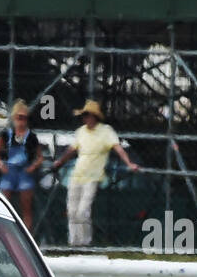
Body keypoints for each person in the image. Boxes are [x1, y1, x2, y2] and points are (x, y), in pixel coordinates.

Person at [47, 100, 138, 247]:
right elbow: (71, 150)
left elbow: (118, 148)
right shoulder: (81, 131)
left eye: (87, 115)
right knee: (72, 210)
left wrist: (129, 163)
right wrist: (60, 162)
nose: (85, 118)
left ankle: (85, 242)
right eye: (84, 115)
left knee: (83, 210)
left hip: (93, 176)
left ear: (95, 116)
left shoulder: (106, 131)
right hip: (77, 174)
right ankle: (73, 242)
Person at [0, 100, 44, 234]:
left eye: (24, 118)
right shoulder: (7, 135)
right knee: (2, 202)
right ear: (14, 118)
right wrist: (0, 164)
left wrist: (32, 167)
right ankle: (2, 233)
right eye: (19, 117)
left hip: (24, 172)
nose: (21, 121)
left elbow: (40, 157)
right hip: (9, 171)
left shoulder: (31, 137)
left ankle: (27, 236)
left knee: (26, 207)